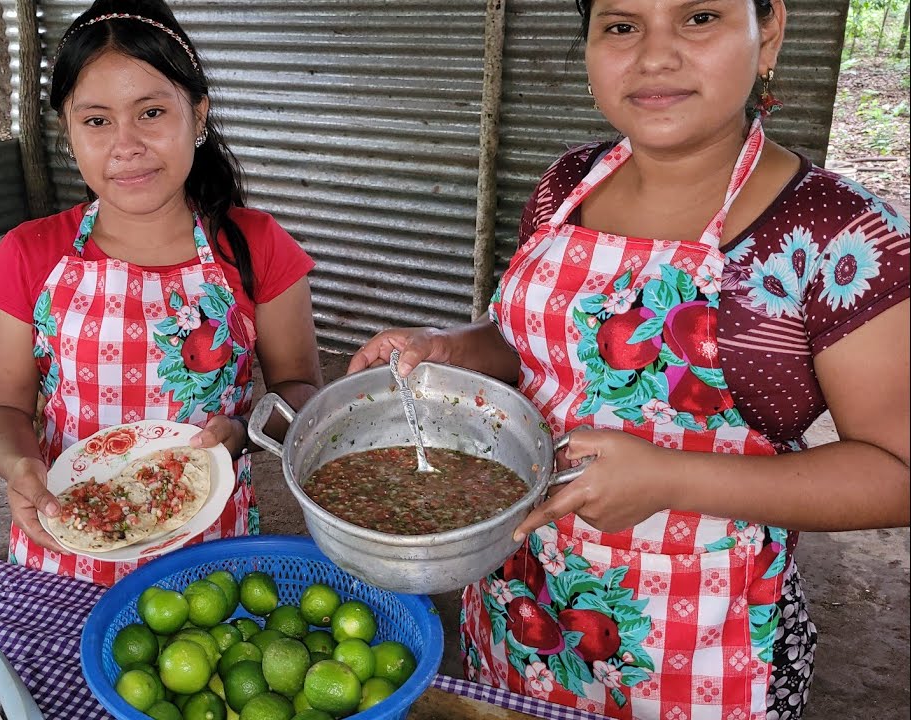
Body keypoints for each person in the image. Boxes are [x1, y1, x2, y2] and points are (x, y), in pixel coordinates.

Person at [350, 0, 909, 717]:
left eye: (699, 17)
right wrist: (450, 347)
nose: (654, 55)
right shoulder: (566, 184)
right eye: (621, 26)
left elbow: (897, 473)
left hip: (704, 638)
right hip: (521, 598)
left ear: (768, 30)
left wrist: (670, 477)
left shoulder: (838, 233)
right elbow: (532, 347)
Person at [0, 0, 322, 586]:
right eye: (96, 121)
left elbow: (299, 392)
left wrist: (244, 433)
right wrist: (20, 465)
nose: (126, 144)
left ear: (198, 114)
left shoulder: (258, 246)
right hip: (65, 550)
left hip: (212, 556)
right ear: (67, 131)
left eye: (152, 112)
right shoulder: (28, 254)